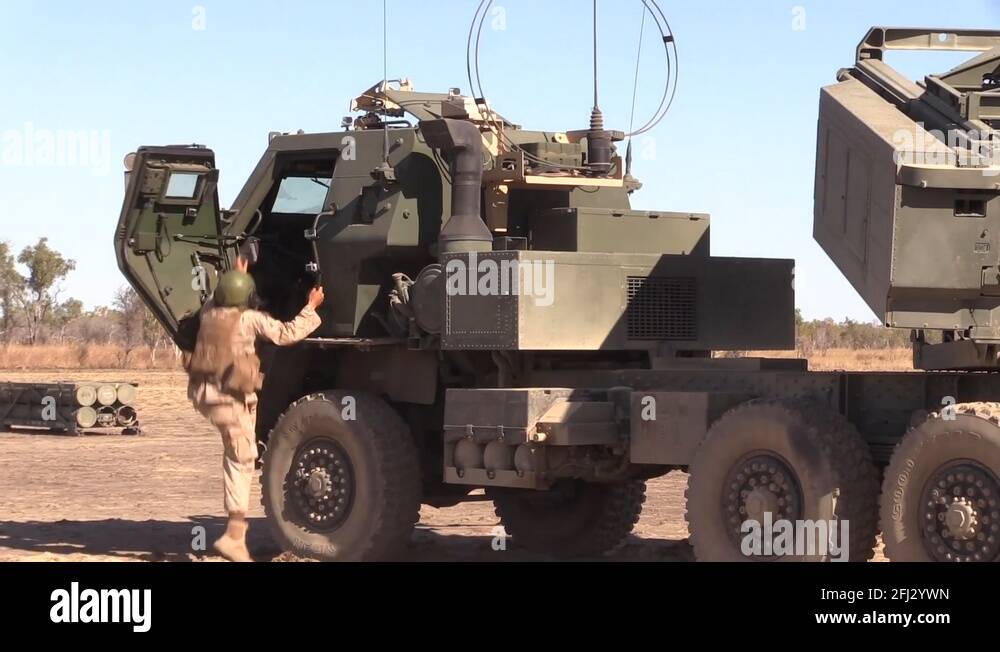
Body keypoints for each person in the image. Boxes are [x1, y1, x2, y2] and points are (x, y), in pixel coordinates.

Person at [186, 257, 324, 561]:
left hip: (205, 395)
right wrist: (311, 306)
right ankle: (234, 536)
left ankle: (235, 534)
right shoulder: (249, 319)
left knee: (235, 452)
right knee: (241, 458)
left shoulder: (210, 312)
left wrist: (237, 275)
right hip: (230, 400)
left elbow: (219, 296)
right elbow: (285, 333)